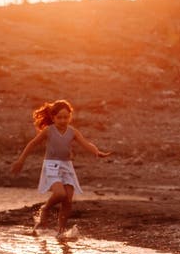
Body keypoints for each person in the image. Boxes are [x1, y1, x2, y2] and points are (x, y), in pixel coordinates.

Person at [11, 99, 112, 237]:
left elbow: (86, 143)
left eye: (66, 117)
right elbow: (32, 144)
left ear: (70, 116)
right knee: (60, 194)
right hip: (51, 166)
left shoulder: (73, 131)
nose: (63, 120)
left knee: (68, 200)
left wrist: (96, 152)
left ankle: (61, 232)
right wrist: (21, 160)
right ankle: (45, 208)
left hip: (67, 167)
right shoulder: (48, 131)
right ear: (53, 118)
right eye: (59, 117)